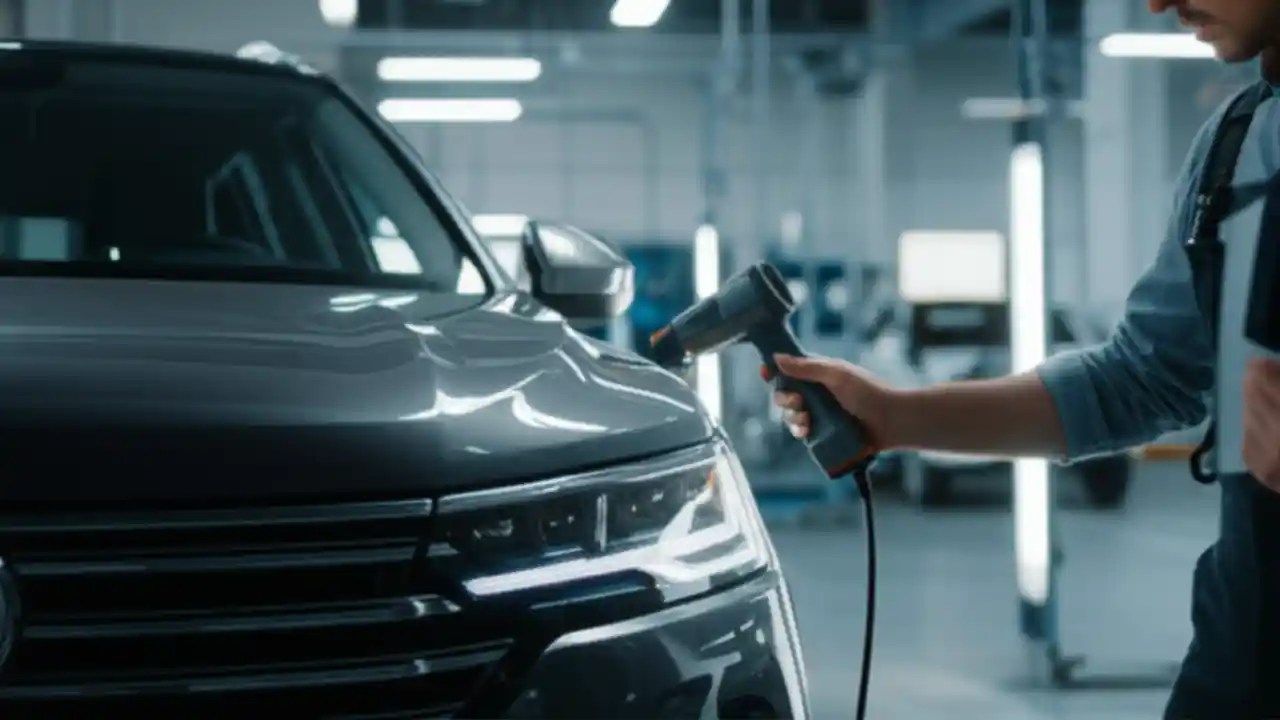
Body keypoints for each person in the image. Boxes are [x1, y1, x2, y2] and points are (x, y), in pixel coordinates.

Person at [769, 1, 1280, 717]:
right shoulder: (1234, 146)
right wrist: (893, 414)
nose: (1159, 2)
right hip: (1249, 639)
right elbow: (1140, 378)